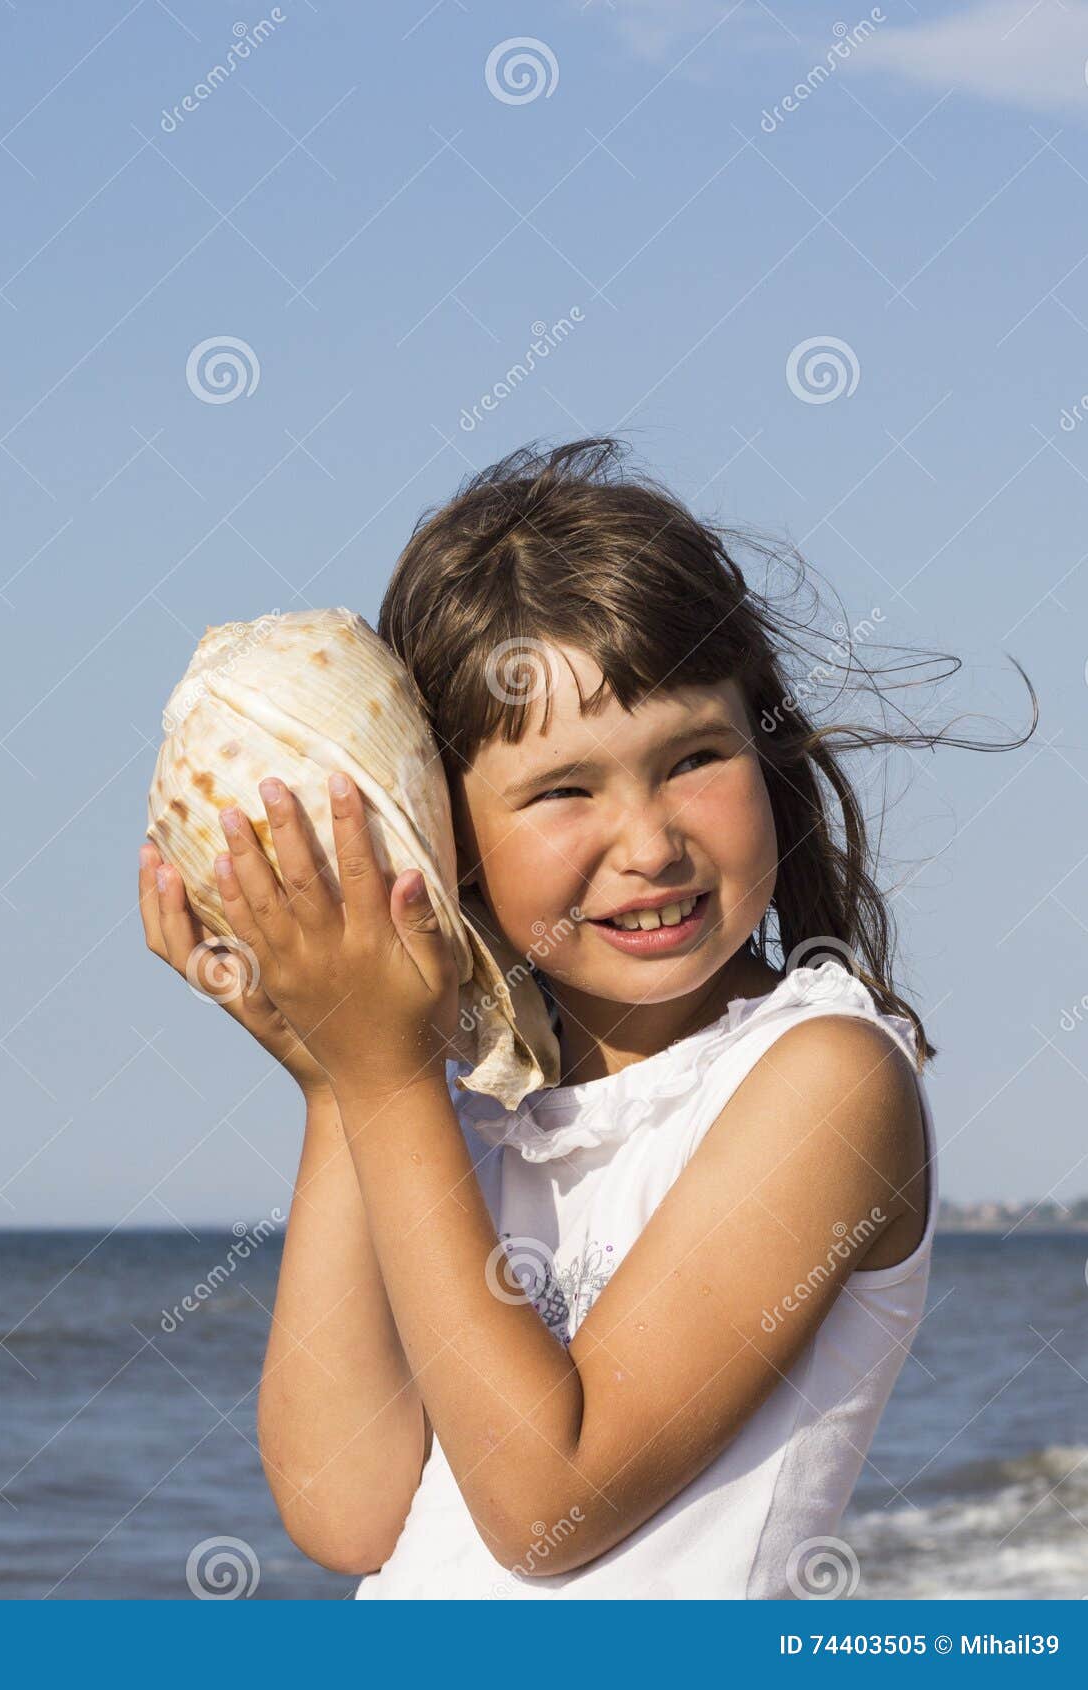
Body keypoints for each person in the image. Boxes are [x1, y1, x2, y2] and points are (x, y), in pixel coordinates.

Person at [140, 435, 1035, 1598]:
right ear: (444, 838)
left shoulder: (824, 1080)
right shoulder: (461, 1117)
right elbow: (345, 1507)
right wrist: (337, 1083)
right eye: (566, 789)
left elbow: (546, 1505)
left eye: (694, 757)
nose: (652, 842)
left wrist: (389, 1086)